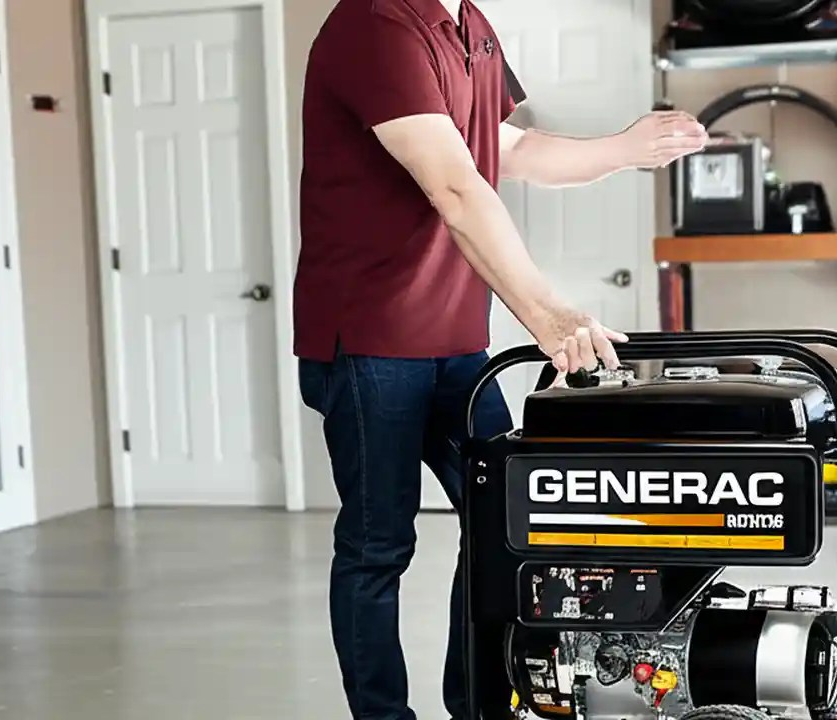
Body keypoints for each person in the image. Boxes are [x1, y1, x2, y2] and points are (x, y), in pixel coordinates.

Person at [292, 0, 709, 718]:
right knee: (377, 546)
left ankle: (477, 704)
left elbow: (506, 149)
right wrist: (547, 315)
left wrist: (625, 148)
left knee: (506, 527)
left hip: (457, 342)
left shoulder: (470, 25)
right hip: (370, 340)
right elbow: (454, 185)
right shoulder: (376, 23)